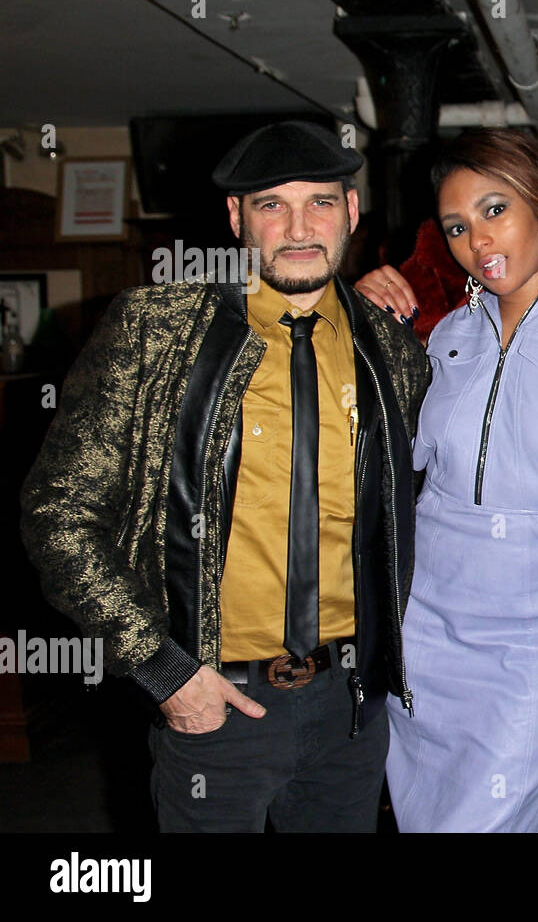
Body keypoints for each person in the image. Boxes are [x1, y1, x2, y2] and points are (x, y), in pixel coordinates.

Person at [20, 120, 430, 831]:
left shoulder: (390, 348)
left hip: (351, 707)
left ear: (352, 211)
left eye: (321, 203)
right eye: (272, 205)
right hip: (215, 706)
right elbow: (59, 511)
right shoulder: (156, 329)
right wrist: (163, 669)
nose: (300, 227)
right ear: (236, 218)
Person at [357, 129, 538, 832]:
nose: (477, 240)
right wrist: (354, 322)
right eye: (456, 226)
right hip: (428, 632)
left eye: (494, 209)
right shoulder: (445, 334)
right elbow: (385, 466)